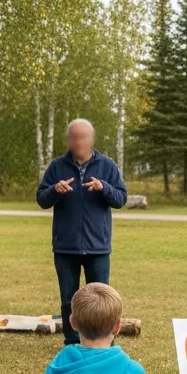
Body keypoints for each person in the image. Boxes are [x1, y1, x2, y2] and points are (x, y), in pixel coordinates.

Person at [36, 118, 129, 345]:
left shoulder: (107, 166)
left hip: (97, 246)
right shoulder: (57, 166)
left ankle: (105, 341)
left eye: (83, 136)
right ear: (68, 140)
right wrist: (55, 190)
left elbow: (121, 198)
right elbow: (41, 198)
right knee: (69, 300)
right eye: (74, 137)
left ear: (91, 139)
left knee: (102, 299)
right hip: (65, 246)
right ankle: (72, 342)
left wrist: (103, 187)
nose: (78, 141)